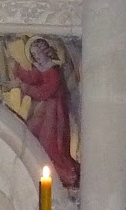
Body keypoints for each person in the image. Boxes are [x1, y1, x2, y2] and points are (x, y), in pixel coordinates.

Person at [11, 37, 79, 186]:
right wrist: (18, 70)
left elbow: (46, 91)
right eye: (34, 55)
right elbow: (33, 77)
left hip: (54, 114)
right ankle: (34, 167)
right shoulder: (42, 68)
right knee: (31, 133)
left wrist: (25, 88)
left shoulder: (53, 70)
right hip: (42, 112)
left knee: (51, 143)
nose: (36, 57)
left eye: (38, 53)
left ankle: (65, 175)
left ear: (45, 51)